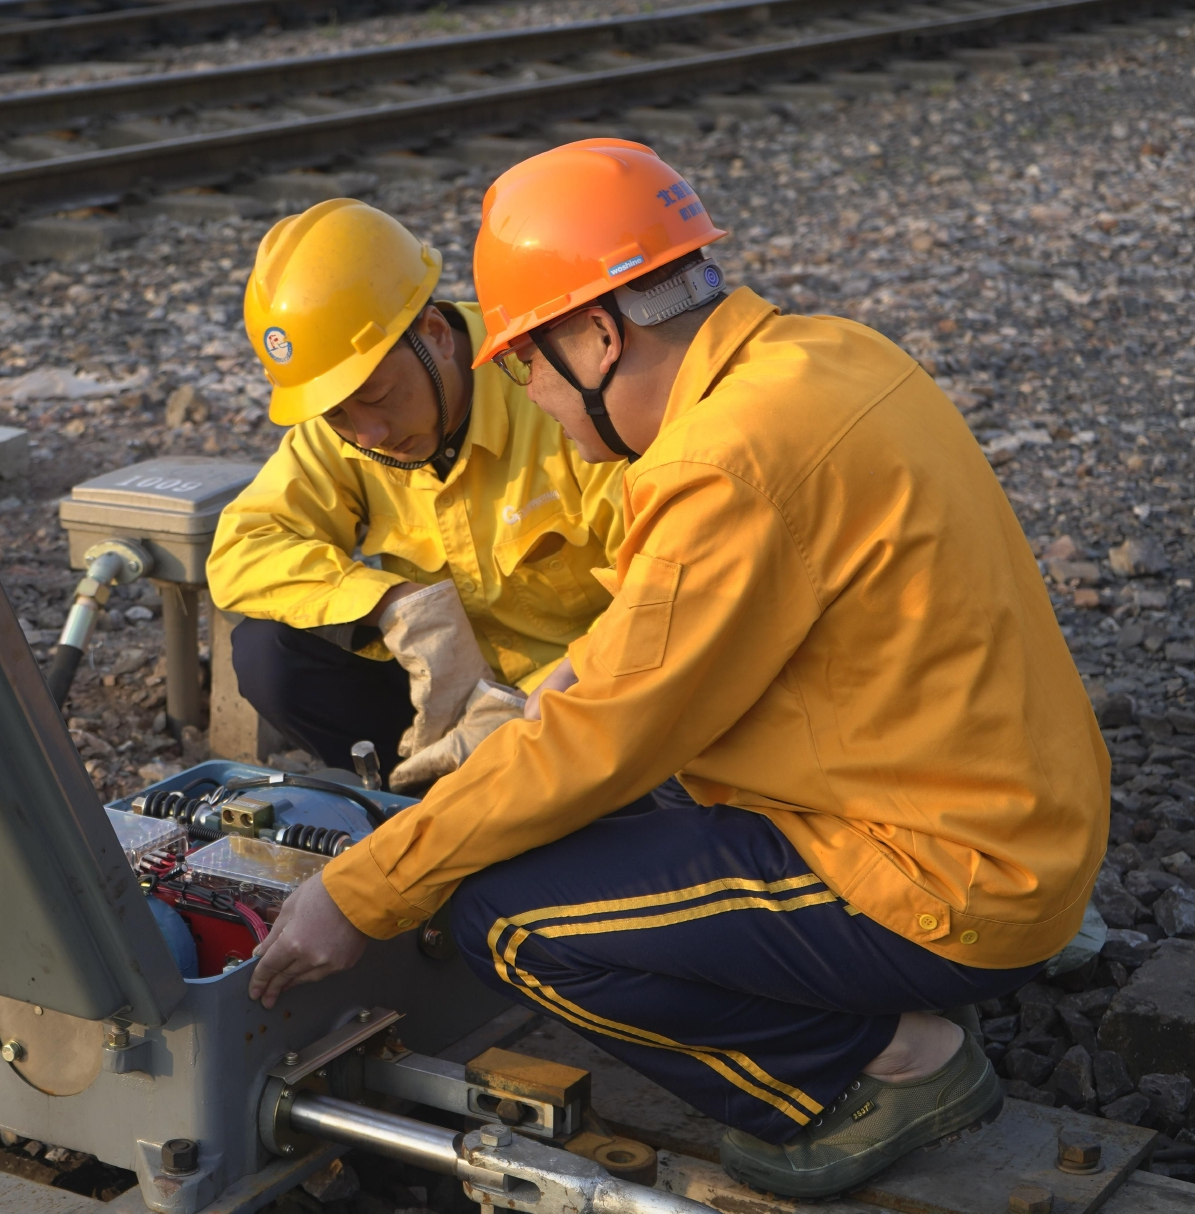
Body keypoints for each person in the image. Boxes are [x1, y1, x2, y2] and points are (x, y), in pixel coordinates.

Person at [244, 141, 1107, 1198]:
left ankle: (881, 1070)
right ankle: (860, 1002)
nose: (535, 404)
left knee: (506, 922)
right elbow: (656, 640)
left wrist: (359, 890)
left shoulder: (720, 461)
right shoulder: (823, 355)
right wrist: (561, 688)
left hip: (945, 881)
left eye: (525, 364)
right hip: (1011, 823)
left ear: (597, 335)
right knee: (570, 822)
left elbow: (604, 743)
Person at [205, 198, 625, 788]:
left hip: (578, 704)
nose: (367, 434)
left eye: (377, 396)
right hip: (441, 708)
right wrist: (393, 603)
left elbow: (664, 586)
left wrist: (552, 695)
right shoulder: (347, 426)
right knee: (269, 654)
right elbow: (242, 549)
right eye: (337, 414)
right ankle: (419, 790)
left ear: (434, 334)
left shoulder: (552, 389)